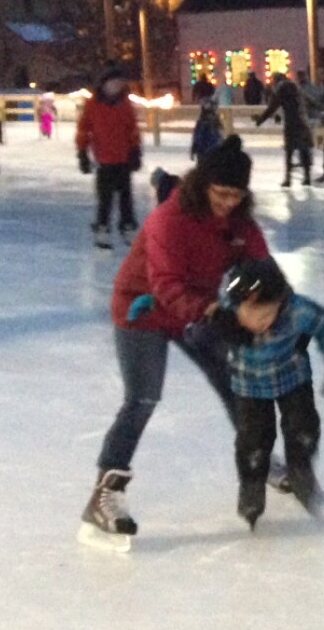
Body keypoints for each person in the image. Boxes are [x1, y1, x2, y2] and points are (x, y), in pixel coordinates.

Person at [78, 136, 268, 549]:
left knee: (237, 378)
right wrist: (223, 315)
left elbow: (260, 268)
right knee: (143, 397)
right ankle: (104, 494)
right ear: (203, 185)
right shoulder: (169, 219)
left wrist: (267, 306)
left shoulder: (239, 223)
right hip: (142, 309)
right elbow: (166, 287)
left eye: (237, 196)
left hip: (195, 308)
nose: (228, 203)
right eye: (221, 194)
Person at [210, 257, 324, 527]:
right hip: (248, 386)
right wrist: (225, 330)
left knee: (303, 428)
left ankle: (301, 470)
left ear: (280, 304)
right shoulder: (228, 309)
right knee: (253, 441)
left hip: (292, 377)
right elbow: (205, 324)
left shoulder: (298, 311)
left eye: (266, 316)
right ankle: (251, 487)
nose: (258, 323)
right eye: (250, 315)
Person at [76, 63, 143, 249]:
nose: (117, 87)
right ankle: (102, 227)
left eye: (120, 83)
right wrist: (82, 153)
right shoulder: (93, 105)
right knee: (105, 198)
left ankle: (127, 225)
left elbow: (133, 130)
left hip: (123, 158)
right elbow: (84, 129)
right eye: (114, 83)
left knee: (126, 196)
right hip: (104, 160)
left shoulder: (125, 105)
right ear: (104, 84)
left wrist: (136, 151)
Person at [254, 71, 313, 188]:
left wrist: (260, 120)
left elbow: (272, 107)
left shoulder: (281, 89)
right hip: (303, 122)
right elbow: (309, 100)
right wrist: (320, 107)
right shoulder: (296, 87)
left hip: (291, 123)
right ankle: (307, 177)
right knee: (304, 150)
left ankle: (288, 178)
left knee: (289, 152)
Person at [190, 94, 224, 162]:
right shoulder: (203, 122)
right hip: (205, 151)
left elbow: (197, 137)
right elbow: (197, 137)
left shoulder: (212, 121)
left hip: (211, 151)